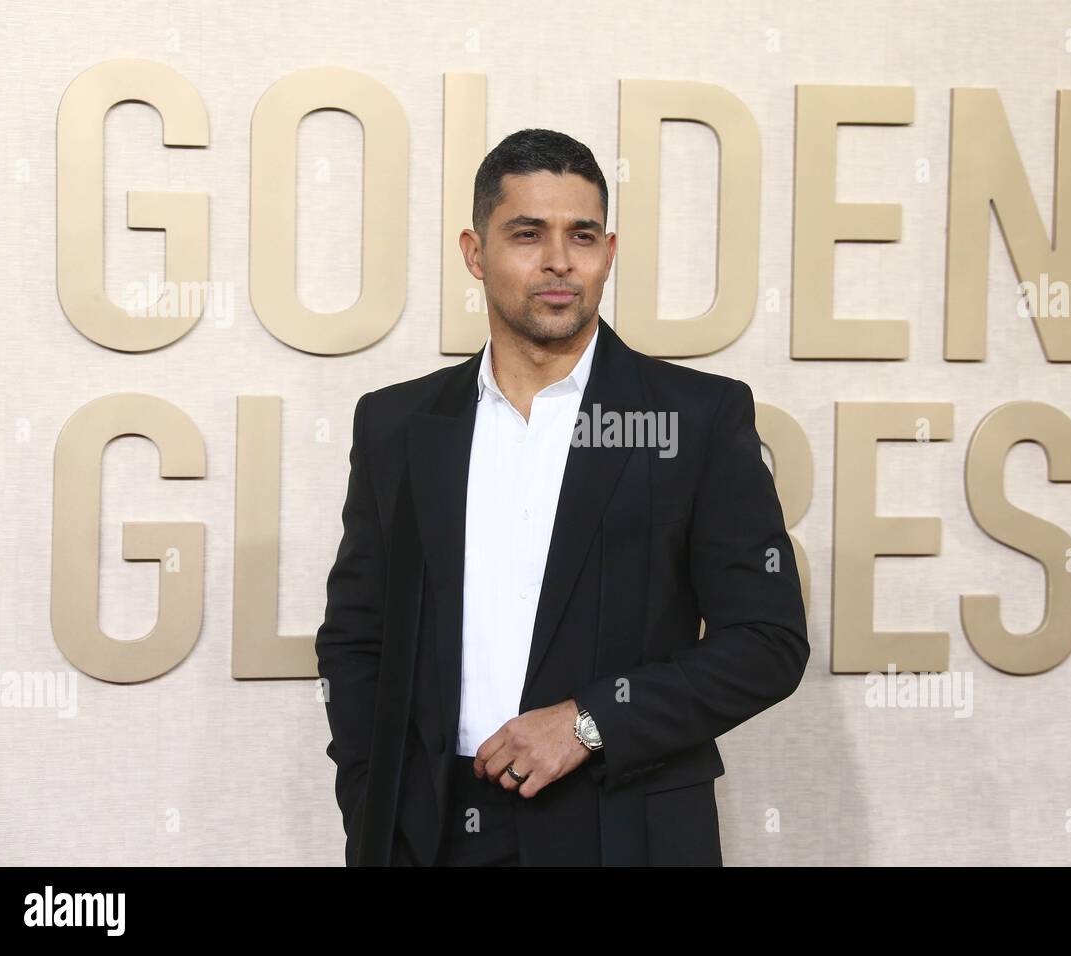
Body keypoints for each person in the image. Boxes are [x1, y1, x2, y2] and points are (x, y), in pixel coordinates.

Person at [315, 128, 809, 866]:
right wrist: (372, 802)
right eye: (526, 234)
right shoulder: (396, 424)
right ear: (475, 254)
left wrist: (589, 721)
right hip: (433, 833)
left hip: (622, 828)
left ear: (607, 253)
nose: (558, 261)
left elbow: (767, 644)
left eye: (581, 236)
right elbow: (357, 638)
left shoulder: (694, 418)